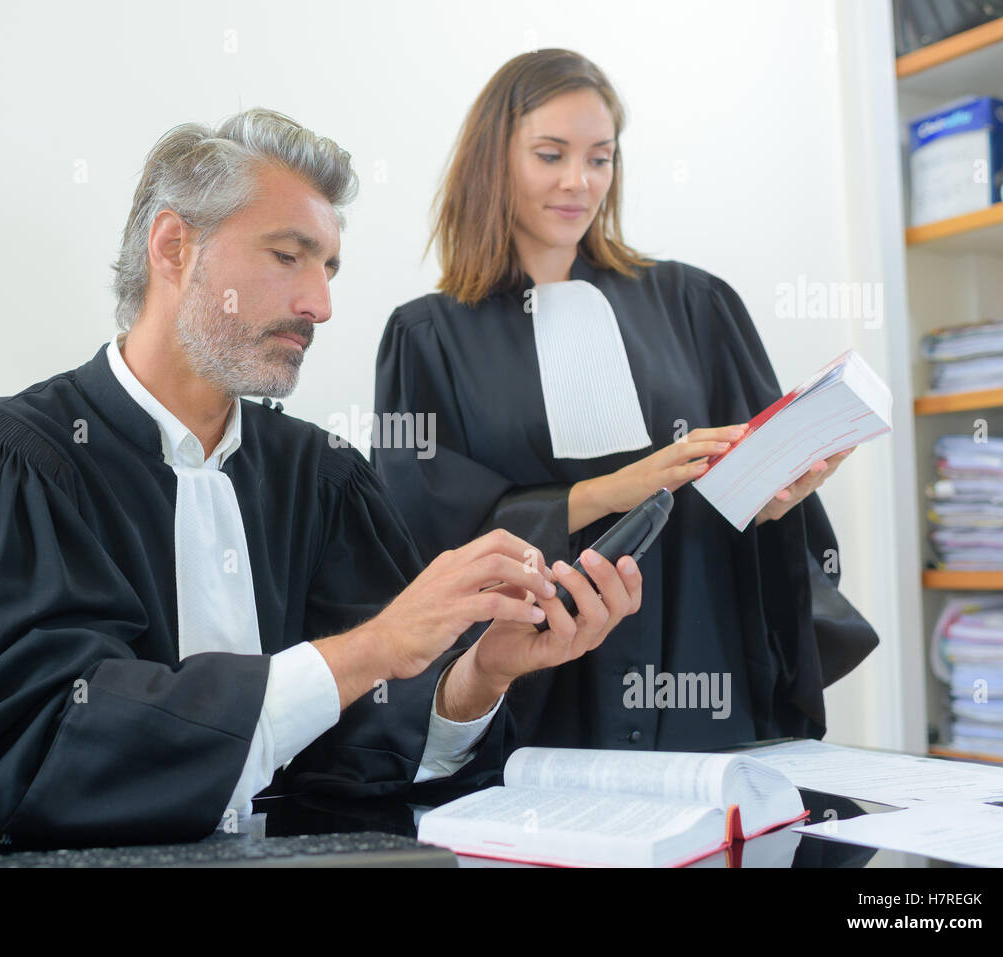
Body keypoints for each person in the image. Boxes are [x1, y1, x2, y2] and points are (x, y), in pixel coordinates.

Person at [0, 108, 644, 846]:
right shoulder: (9, 462)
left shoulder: (322, 477)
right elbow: (46, 745)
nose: (321, 302)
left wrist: (477, 676)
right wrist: (370, 647)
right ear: (173, 248)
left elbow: (356, 752)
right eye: (287, 256)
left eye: (329, 266)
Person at [372, 50, 877, 753]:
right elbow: (424, 531)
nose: (579, 182)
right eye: (550, 154)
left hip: (702, 664)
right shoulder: (428, 337)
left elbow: (761, 518)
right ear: (493, 159)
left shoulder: (696, 304)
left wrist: (773, 496)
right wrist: (614, 489)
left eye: (600, 158)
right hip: (539, 684)